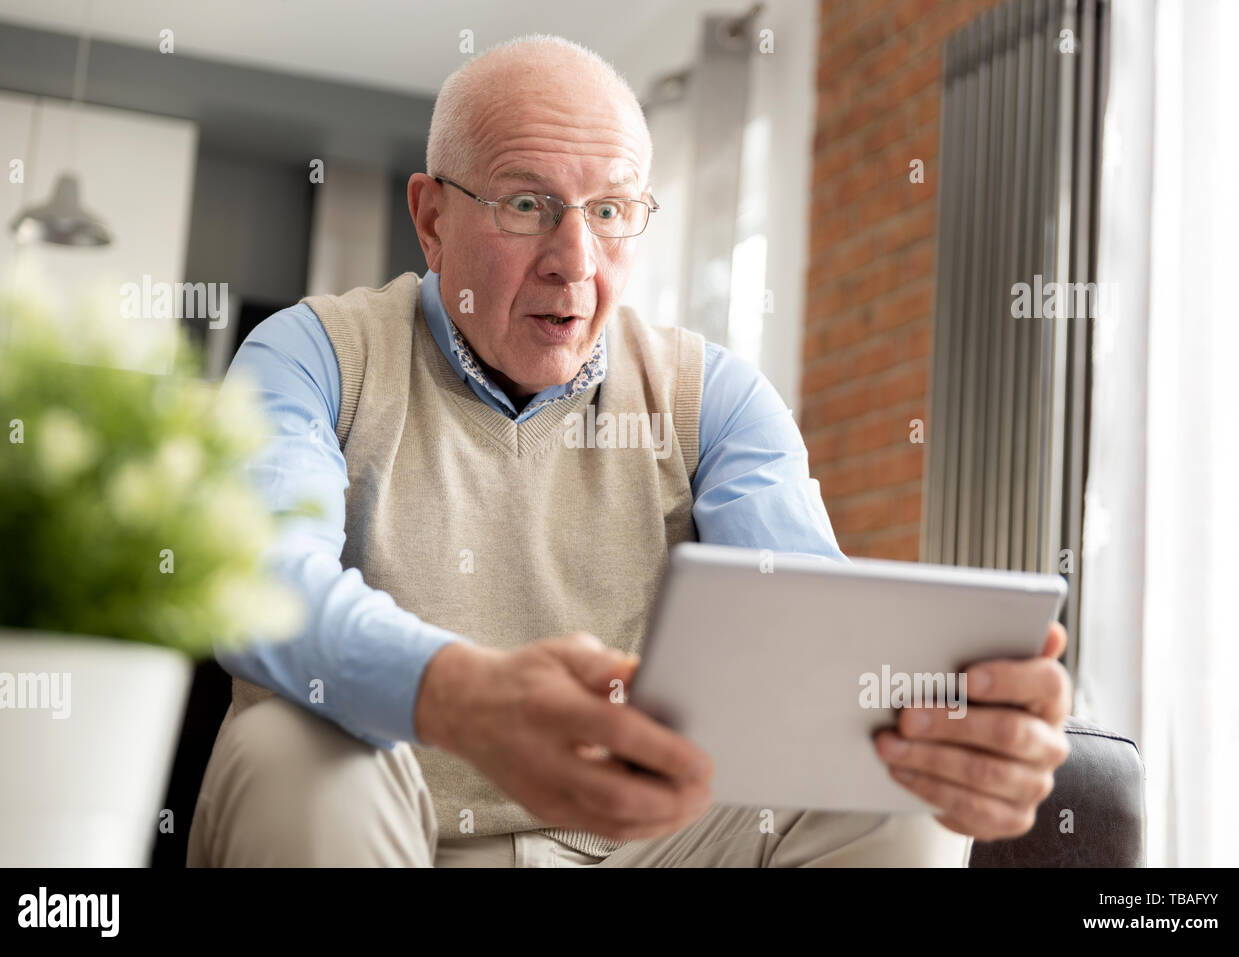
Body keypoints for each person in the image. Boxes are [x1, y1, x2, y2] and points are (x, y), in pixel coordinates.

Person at [187, 33, 1071, 868]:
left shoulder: (713, 397)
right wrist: (466, 698)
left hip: (642, 847)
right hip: (395, 832)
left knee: (894, 783)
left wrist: (955, 736)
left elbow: (806, 643)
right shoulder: (313, 353)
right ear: (431, 218)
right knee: (291, 740)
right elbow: (259, 583)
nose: (576, 261)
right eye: (527, 204)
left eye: (609, 210)